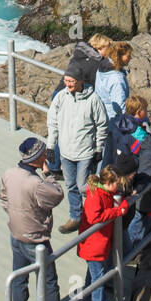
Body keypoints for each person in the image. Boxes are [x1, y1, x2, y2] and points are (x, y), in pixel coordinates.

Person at [0, 136, 77, 301]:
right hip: (36, 239)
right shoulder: (35, 183)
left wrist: (14, 214)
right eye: (43, 153)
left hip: (16, 234)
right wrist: (48, 174)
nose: (46, 156)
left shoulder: (9, 174)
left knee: (19, 279)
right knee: (48, 280)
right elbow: (57, 195)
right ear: (36, 157)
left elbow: (3, 197)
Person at [46, 60, 108, 233]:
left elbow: (102, 124)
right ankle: (76, 217)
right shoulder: (60, 97)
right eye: (66, 81)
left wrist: (98, 149)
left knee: (83, 186)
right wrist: (51, 147)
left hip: (85, 152)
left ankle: (95, 212)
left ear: (80, 80)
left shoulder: (94, 99)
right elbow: (52, 122)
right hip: (66, 152)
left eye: (71, 81)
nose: (68, 85)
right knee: (71, 186)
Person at [76, 166, 132, 301]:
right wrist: (118, 211)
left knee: (93, 277)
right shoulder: (96, 196)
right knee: (98, 281)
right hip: (94, 245)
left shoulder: (104, 193)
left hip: (97, 244)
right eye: (117, 184)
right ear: (108, 182)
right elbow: (95, 218)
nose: (119, 187)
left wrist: (121, 204)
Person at [113, 122, 151, 253]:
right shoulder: (150, 154)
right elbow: (149, 174)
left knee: (141, 227)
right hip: (146, 200)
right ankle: (127, 253)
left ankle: (132, 251)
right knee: (137, 228)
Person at [94, 42, 132, 163]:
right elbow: (119, 106)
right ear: (120, 56)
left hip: (101, 113)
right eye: (128, 55)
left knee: (105, 150)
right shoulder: (117, 79)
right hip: (112, 119)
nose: (130, 58)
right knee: (110, 155)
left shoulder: (103, 67)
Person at [108, 94, 151, 171]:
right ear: (139, 112)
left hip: (117, 160)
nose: (147, 112)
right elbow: (147, 145)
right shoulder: (137, 130)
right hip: (132, 165)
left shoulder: (120, 122)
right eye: (145, 109)